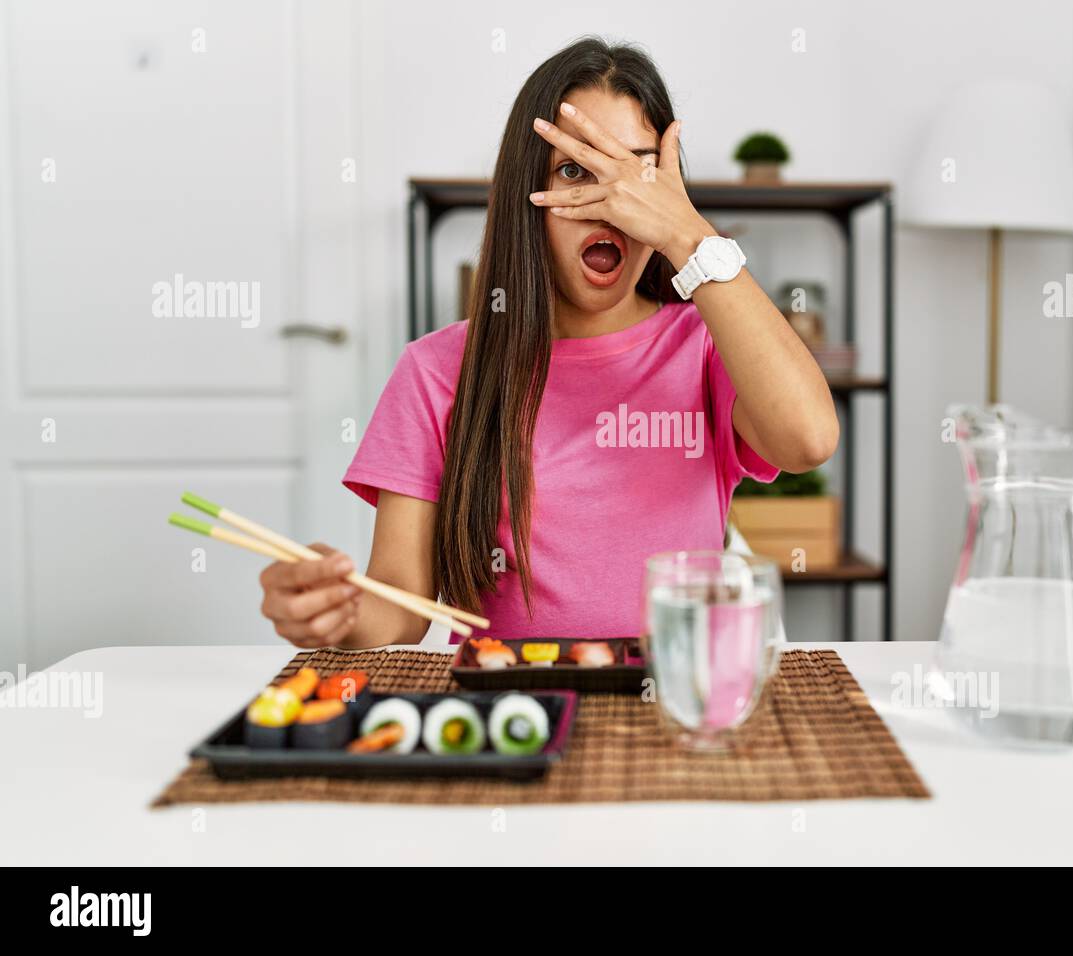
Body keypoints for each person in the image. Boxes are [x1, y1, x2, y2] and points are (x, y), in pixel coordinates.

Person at [258, 37, 838, 648]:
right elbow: (401, 600)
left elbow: (808, 439)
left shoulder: (704, 345)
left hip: (671, 701)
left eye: (637, 174)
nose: (612, 205)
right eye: (573, 172)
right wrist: (342, 611)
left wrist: (689, 234)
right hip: (512, 712)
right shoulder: (436, 369)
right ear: (524, 194)